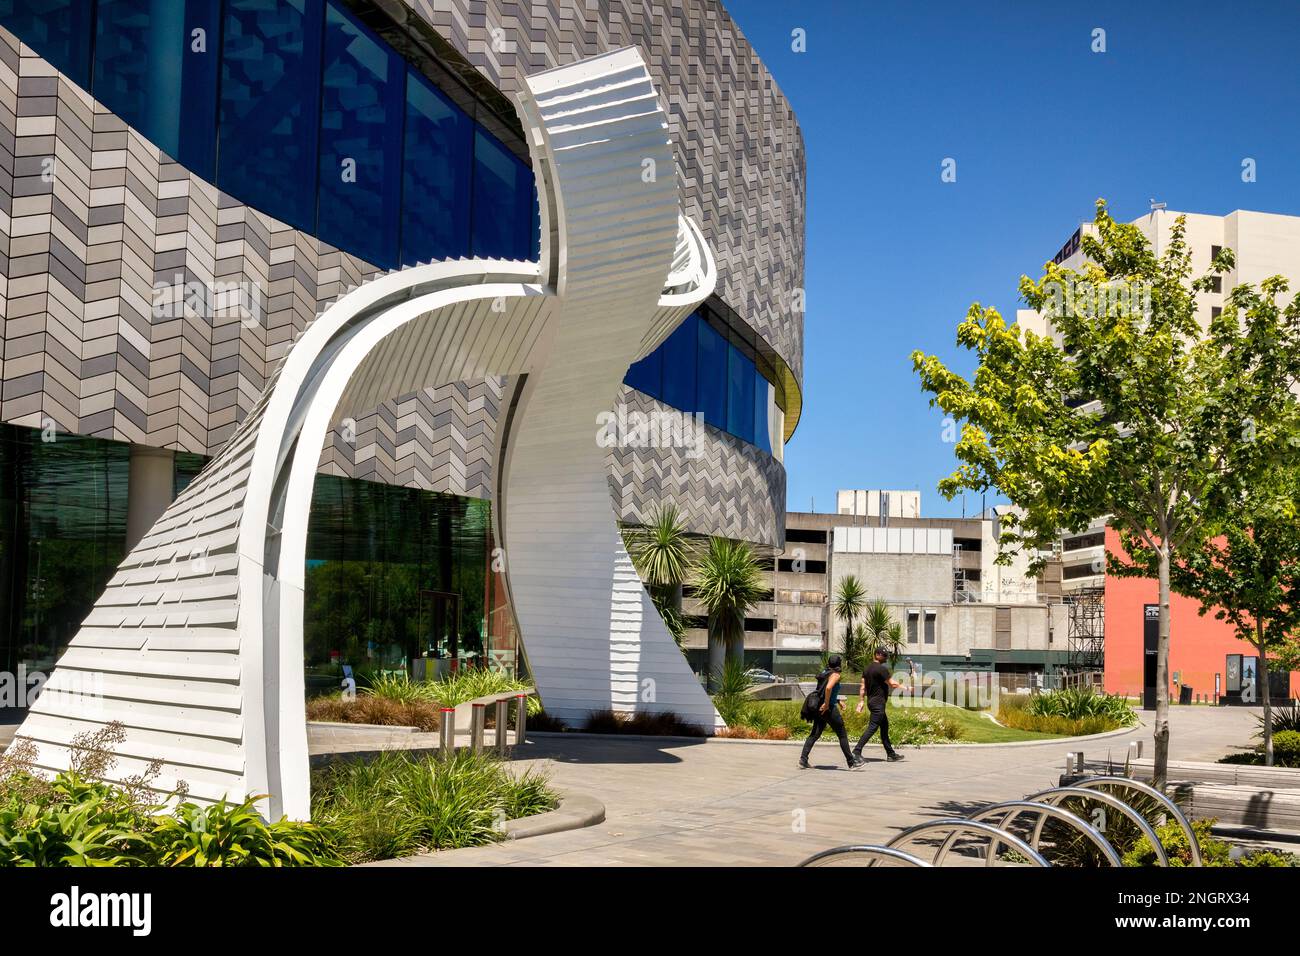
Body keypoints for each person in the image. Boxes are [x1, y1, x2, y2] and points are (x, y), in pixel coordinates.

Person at [799, 654, 863, 770]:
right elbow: (828, 688)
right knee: (842, 734)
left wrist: (838, 700)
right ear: (839, 664)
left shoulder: (825, 672)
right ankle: (852, 762)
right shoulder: (836, 674)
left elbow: (824, 690)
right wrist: (827, 704)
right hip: (828, 708)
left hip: (818, 707)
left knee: (815, 734)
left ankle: (803, 759)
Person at [854, 648, 905, 763]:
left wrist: (861, 701)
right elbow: (892, 684)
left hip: (872, 702)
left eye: (887, 655)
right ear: (877, 655)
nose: (886, 657)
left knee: (884, 727)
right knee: (872, 727)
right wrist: (906, 688)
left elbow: (862, 687)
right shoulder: (882, 669)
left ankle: (891, 754)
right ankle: (856, 752)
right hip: (878, 703)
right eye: (884, 655)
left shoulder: (867, 669)